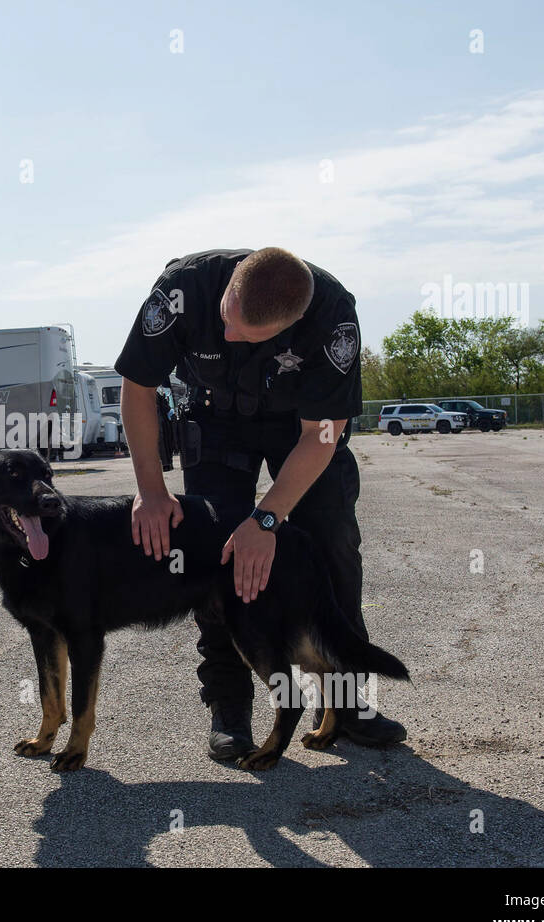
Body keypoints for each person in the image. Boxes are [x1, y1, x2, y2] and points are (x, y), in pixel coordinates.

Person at [116, 247, 406, 762]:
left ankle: (344, 702)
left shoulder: (332, 315)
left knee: (335, 544)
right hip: (214, 418)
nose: (228, 336)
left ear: (290, 324)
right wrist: (152, 491)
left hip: (300, 426)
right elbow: (138, 387)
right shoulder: (185, 290)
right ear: (230, 286)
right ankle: (229, 707)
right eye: (227, 318)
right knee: (215, 559)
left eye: (249, 336)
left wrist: (266, 519)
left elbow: (322, 435)